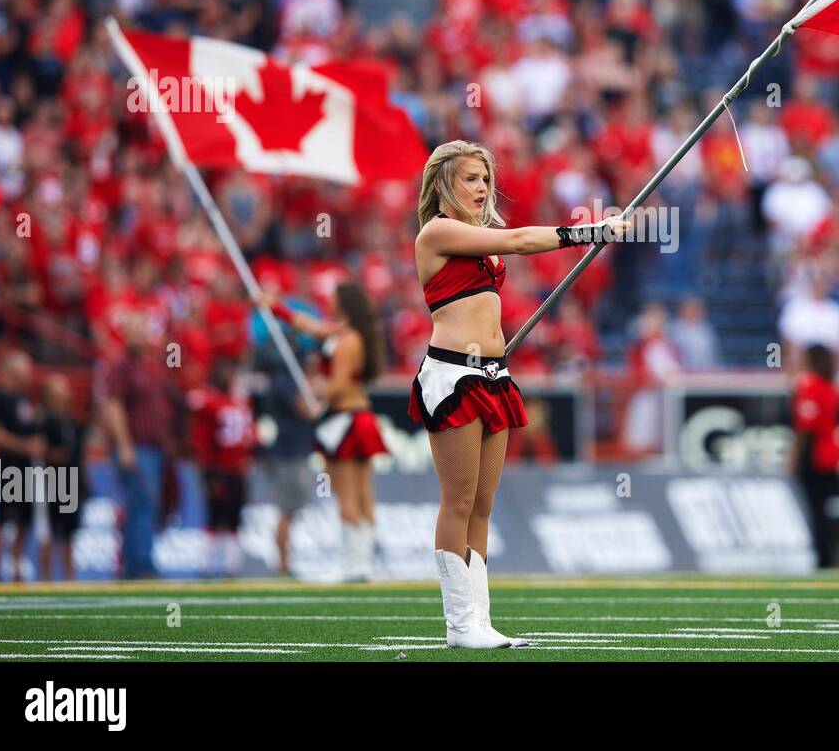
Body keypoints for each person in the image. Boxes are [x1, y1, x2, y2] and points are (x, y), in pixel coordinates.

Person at [409, 140, 630, 648]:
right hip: (453, 375)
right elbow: (524, 240)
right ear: (444, 183)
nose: (482, 187)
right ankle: (458, 624)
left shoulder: (479, 235)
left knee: (484, 503)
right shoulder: (437, 231)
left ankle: (481, 621)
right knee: (459, 500)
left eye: (485, 178)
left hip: (494, 373)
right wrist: (587, 232)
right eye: (470, 178)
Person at [263, 283, 386, 582]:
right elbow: (308, 325)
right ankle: (361, 562)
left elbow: (339, 385)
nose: (328, 302)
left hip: (344, 420)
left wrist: (314, 396)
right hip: (358, 418)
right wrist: (275, 307)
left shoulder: (346, 341)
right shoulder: (343, 333)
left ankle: (352, 563)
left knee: (348, 494)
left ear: (343, 303)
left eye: (333, 299)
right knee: (361, 494)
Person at [102, 316, 177, 579]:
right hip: (137, 447)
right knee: (141, 503)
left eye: (141, 331)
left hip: (154, 448)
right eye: (132, 331)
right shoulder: (121, 366)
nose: (137, 337)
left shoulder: (152, 366)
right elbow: (113, 405)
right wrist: (124, 445)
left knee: (146, 504)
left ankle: (137, 561)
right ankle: (139, 564)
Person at [188, 359, 258, 578]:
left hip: (236, 469)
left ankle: (229, 565)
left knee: (233, 518)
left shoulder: (236, 404)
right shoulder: (211, 403)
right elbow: (201, 436)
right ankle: (208, 564)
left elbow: (249, 436)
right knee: (215, 517)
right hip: (219, 467)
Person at [0, 352, 43, 583]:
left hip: (26, 468)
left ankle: (18, 569)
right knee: (1, 520)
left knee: (22, 522)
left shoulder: (24, 400)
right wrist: (25, 446)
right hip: (7, 466)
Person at [259, 347, 319, 577]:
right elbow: (307, 409)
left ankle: (285, 560)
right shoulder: (283, 382)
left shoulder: (289, 380)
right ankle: (282, 561)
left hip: (296, 451)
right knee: (286, 508)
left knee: (291, 509)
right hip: (288, 453)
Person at [788, 344, 839, 569]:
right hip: (833, 454)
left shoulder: (810, 387)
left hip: (816, 456)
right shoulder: (833, 387)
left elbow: (805, 426)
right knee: (824, 510)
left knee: (815, 510)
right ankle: (827, 557)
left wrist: (794, 456)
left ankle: (822, 559)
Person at [40, 375, 87, 582]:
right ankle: (46, 578)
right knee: (49, 532)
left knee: (69, 533)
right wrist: (53, 455)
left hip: (72, 481)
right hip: (51, 481)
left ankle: (69, 577)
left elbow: (79, 454)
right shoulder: (44, 421)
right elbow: (39, 450)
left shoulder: (73, 422)